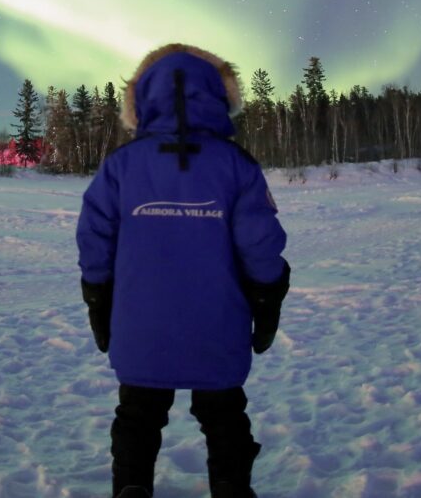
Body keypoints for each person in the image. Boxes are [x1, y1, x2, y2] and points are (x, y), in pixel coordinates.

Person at [77, 43, 290, 498]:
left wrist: (97, 295)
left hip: (141, 322)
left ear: (141, 101)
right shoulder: (235, 164)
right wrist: (269, 294)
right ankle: (231, 487)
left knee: (137, 414)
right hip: (218, 319)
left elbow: (95, 239)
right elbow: (260, 243)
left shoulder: (121, 167)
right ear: (218, 96)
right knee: (224, 412)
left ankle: (131, 488)